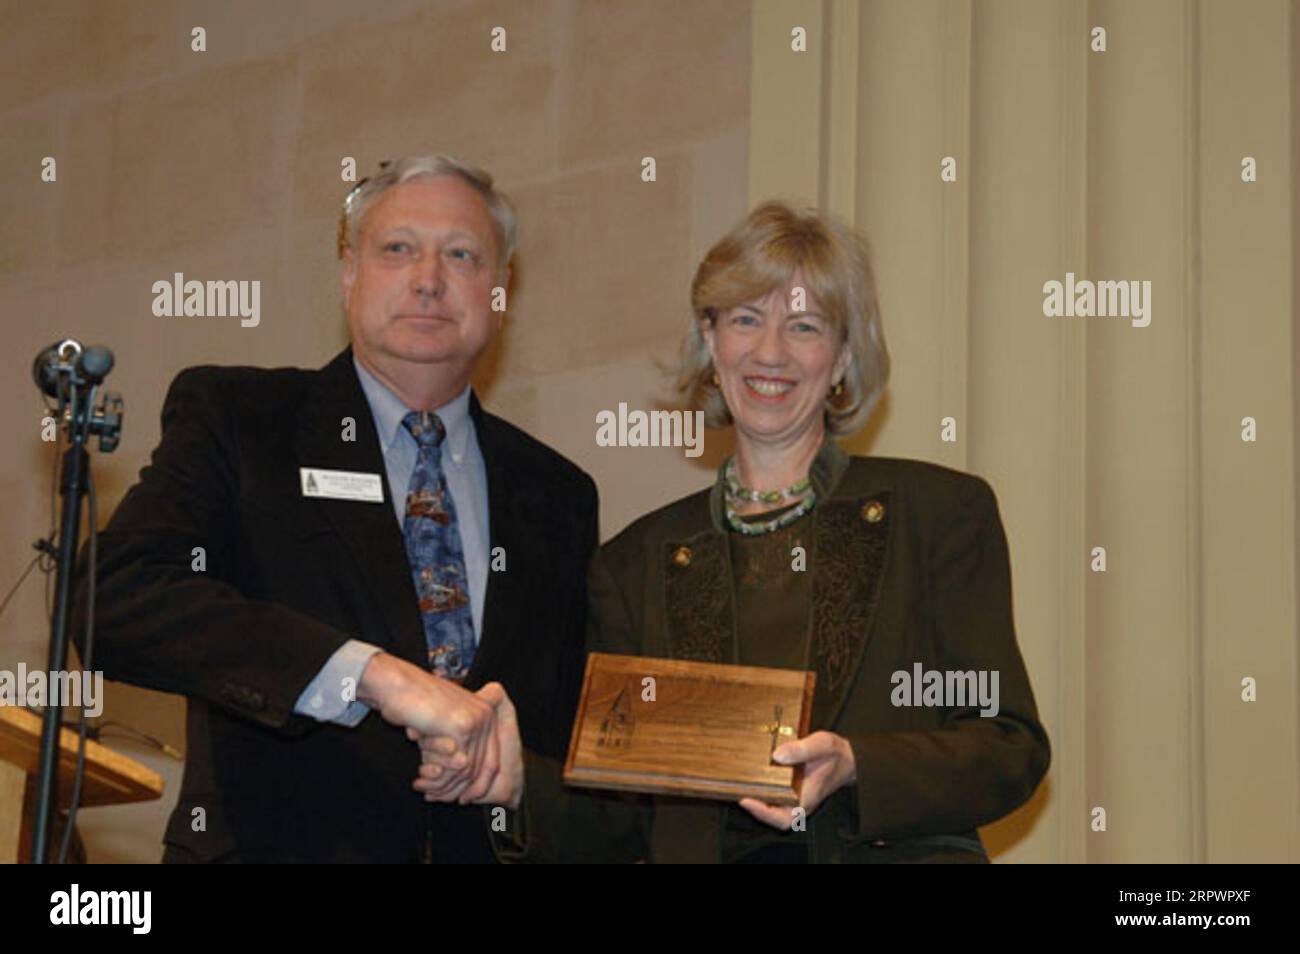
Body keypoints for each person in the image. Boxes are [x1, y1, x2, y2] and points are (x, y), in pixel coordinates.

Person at [459, 200, 1050, 863]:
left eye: (804, 326)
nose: (770, 352)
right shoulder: (633, 566)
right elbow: (622, 821)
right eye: (745, 319)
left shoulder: (938, 514)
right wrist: (514, 784)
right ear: (712, 343)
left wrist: (858, 765)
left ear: (845, 355)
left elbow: (1009, 747)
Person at [70, 155, 596, 863]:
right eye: (397, 248)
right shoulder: (241, 420)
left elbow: (575, 748)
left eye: (462, 255)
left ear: (500, 292)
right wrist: (370, 674)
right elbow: (111, 596)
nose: (429, 279)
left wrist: (520, 786)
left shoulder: (558, 494)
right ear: (349, 273)